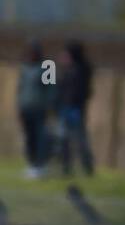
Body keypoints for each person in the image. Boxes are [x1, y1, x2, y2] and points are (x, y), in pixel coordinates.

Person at [55, 40, 95, 176]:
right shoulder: (69, 69)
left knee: (79, 140)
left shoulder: (81, 70)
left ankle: (87, 168)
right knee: (63, 139)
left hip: (75, 109)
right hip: (66, 108)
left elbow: (80, 92)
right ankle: (66, 168)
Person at [15, 41, 52, 178]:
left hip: (39, 109)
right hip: (26, 108)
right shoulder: (24, 67)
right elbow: (20, 89)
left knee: (40, 138)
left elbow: (51, 89)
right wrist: (19, 105)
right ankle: (31, 164)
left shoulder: (46, 67)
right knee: (29, 138)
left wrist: (49, 105)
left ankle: (40, 165)